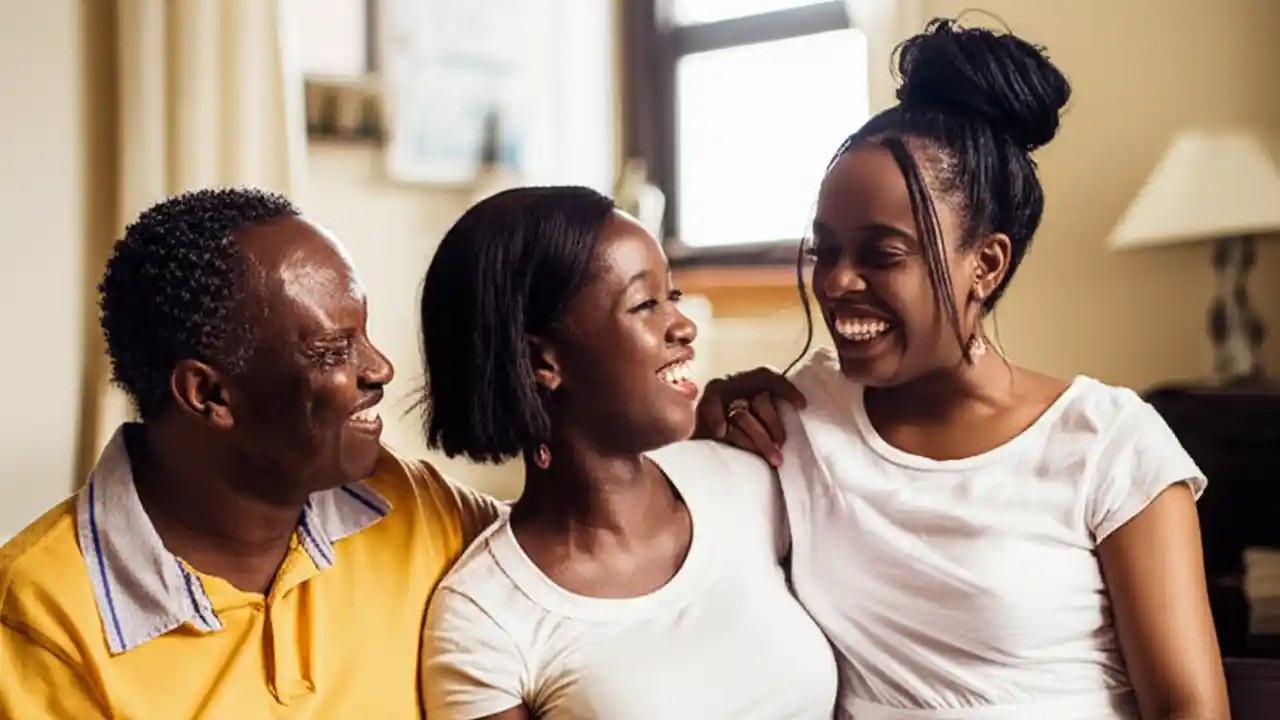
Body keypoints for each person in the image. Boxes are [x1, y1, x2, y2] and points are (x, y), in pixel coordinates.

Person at [694, 19, 1230, 720]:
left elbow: (1190, 709)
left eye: (882, 254)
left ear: (987, 263)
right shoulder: (800, 416)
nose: (836, 283)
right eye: (825, 250)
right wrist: (706, 426)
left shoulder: (1108, 442)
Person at [0, 187, 500, 719]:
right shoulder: (41, 619)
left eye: (364, 335)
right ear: (210, 394)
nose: (379, 370)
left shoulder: (413, 508)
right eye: (334, 350)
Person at [418, 186, 838, 719]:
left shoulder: (749, 483)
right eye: (645, 304)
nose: (683, 327)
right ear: (540, 362)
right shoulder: (484, 619)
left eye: (674, 297)